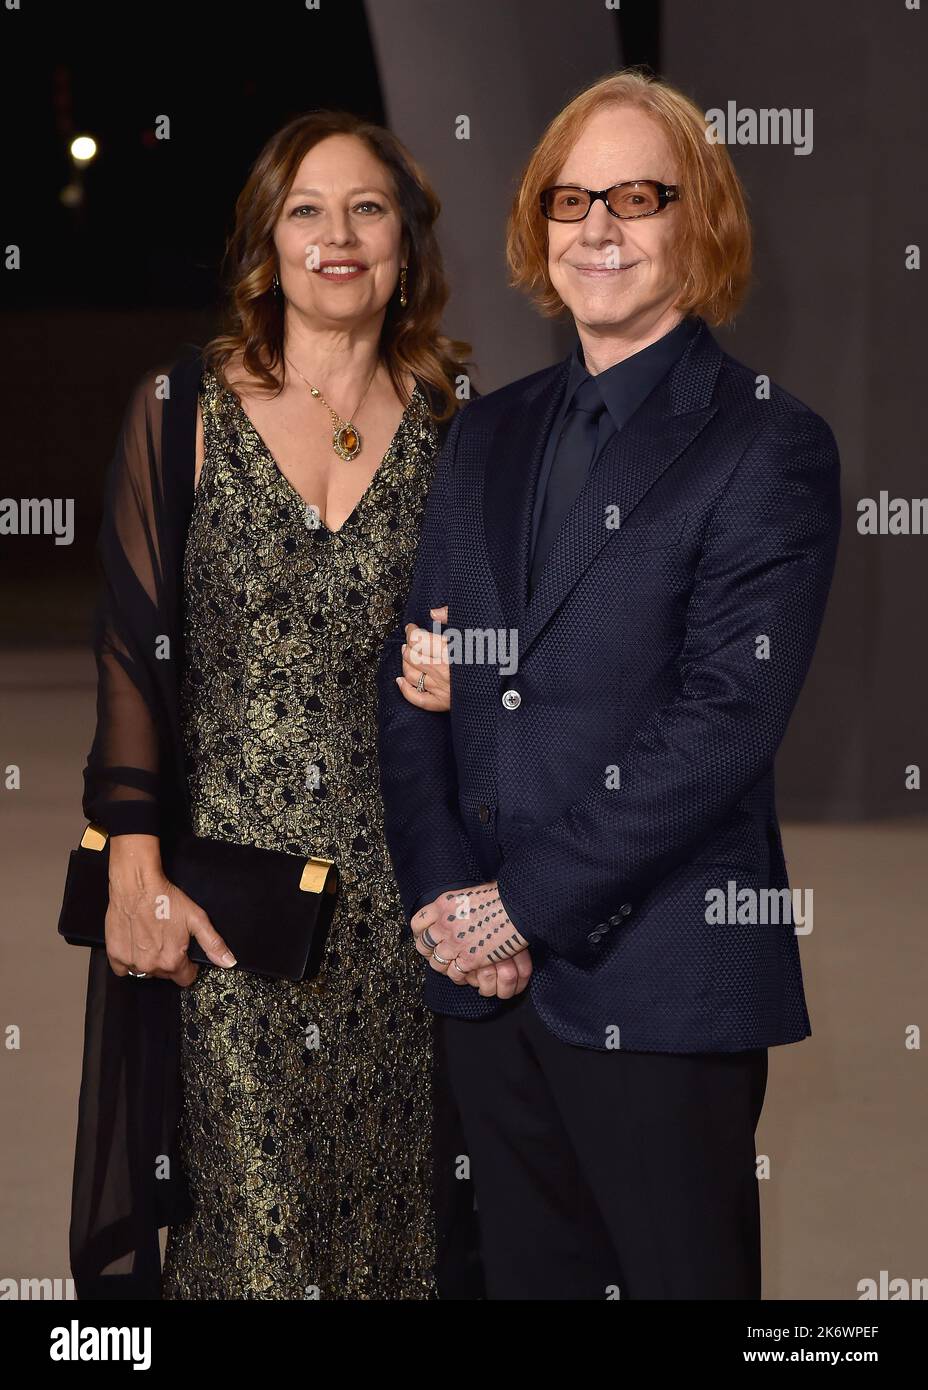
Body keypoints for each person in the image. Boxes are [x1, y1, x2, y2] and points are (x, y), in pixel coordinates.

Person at [376, 69, 842, 1300]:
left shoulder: (765, 439)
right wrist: (442, 903)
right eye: (570, 199)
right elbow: (413, 666)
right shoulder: (486, 428)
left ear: (704, 221)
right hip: (482, 998)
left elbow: (721, 726)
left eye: (637, 196)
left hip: (662, 979)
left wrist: (517, 907)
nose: (597, 228)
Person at [71, 109, 493, 1300]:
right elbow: (128, 653)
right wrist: (131, 864)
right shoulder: (180, 409)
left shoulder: (463, 423)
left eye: (367, 209)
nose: (337, 236)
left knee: (403, 1234)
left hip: (411, 902)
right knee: (247, 1234)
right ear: (267, 242)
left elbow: (508, 640)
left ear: (404, 245)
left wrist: (485, 668)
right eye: (305, 210)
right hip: (230, 913)